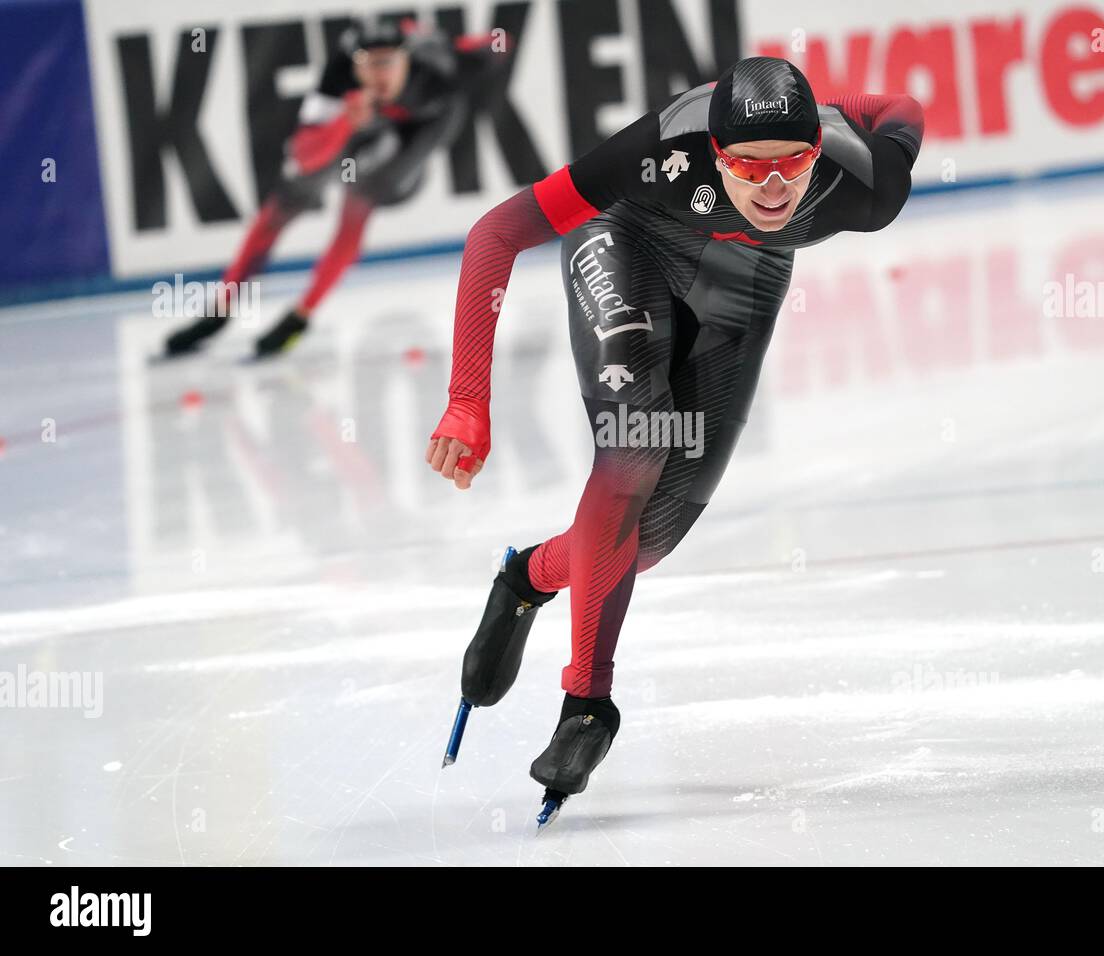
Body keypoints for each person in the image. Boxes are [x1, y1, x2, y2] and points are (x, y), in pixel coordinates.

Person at [429, 56, 924, 822]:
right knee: (635, 447)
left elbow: (901, 104)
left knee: (645, 541)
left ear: (817, 152)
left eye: (791, 165)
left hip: (744, 279)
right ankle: (587, 706)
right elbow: (496, 234)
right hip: (624, 238)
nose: (770, 187)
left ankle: (528, 577)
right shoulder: (658, 151)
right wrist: (467, 402)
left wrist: (836, 108)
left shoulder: (864, 186)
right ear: (714, 155)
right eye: (747, 167)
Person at [162, 17, 509, 359]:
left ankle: (301, 316)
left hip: (426, 125)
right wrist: (344, 121)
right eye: (369, 65)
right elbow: (304, 155)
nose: (379, 75)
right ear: (354, 66)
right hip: (363, 118)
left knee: (359, 200)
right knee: (284, 202)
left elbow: (496, 44)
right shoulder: (338, 76)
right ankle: (221, 308)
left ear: (407, 58)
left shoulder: (439, 63)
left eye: (388, 63)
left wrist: (485, 44)